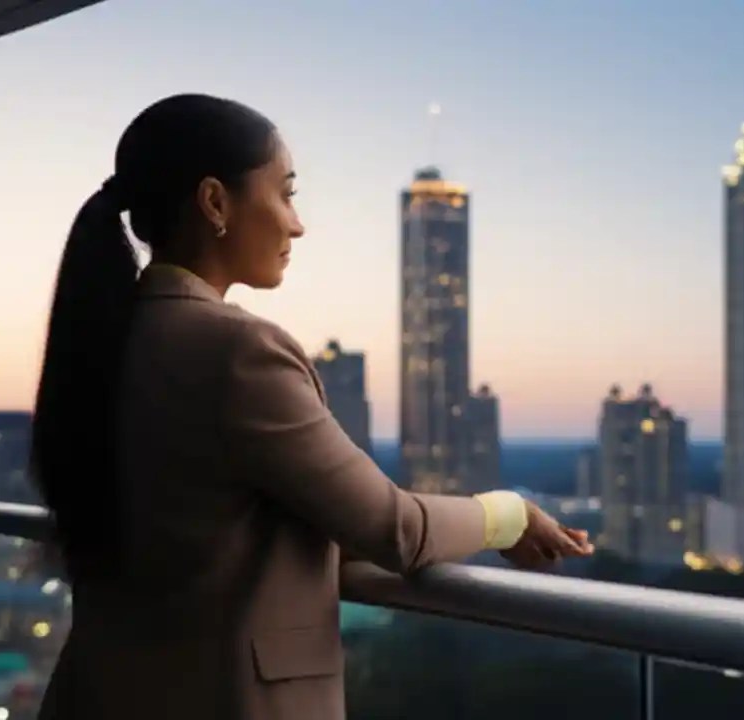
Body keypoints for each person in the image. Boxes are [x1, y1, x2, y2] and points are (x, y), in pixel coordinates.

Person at [30, 93, 593, 720]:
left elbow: (214, 524)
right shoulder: (239, 350)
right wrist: (507, 514)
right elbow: (396, 529)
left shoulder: (104, 336)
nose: (297, 223)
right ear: (216, 202)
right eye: (287, 193)